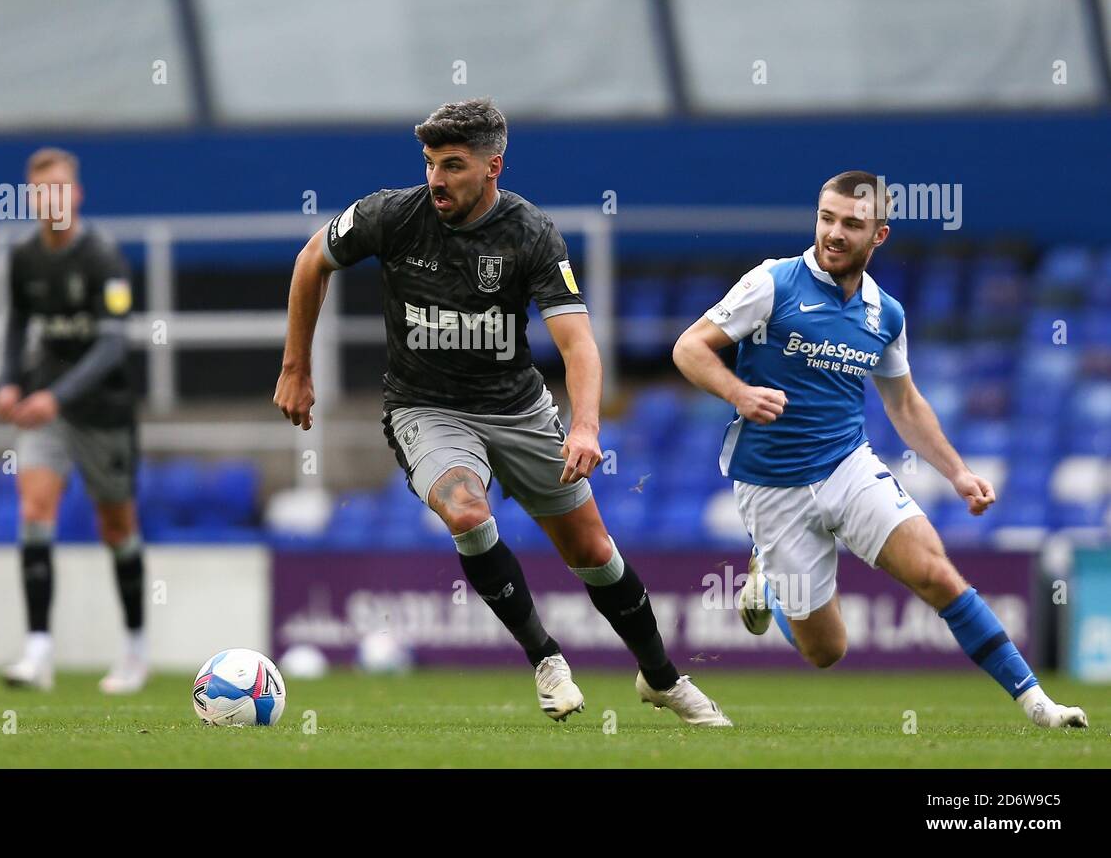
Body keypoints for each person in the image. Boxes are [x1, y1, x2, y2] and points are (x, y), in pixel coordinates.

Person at [274, 99, 730, 726]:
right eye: (431, 163)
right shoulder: (390, 215)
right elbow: (310, 262)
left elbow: (577, 343)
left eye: (453, 165)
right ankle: (544, 656)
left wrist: (587, 425)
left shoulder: (530, 233)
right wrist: (296, 367)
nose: (436, 178)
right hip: (424, 407)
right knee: (465, 508)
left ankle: (661, 678)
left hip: (517, 409)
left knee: (594, 551)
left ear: (493, 167)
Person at [673, 170, 1086, 728]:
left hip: (848, 466)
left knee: (936, 573)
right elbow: (689, 346)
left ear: (879, 235)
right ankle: (768, 582)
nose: (835, 233)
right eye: (826, 218)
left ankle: (1038, 704)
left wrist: (957, 473)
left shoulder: (885, 314)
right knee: (827, 651)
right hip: (772, 485)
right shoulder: (772, 283)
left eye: (852, 224)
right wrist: (737, 391)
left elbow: (906, 404)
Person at [0, 147, 147, 694]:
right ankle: (38, 651)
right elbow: (17, 325)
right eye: (41, 190)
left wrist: (55, 397)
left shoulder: (104, 258)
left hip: (103, 410)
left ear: (76, 195)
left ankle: (134, 647)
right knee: (34, 509)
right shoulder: (24, 257)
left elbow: (111, 348)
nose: (50, 199)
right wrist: (8, 381)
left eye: (60, 188)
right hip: (46, 410)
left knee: (116, 528)